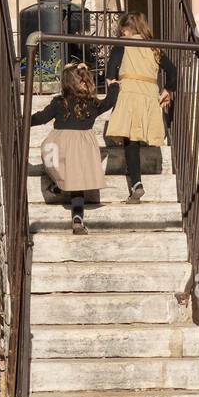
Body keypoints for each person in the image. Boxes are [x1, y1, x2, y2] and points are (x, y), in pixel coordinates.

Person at [30, 63, 119, 234]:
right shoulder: (91, 103)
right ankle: (77, 217)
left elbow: (41, 117)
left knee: (52, 161)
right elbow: (109, 102)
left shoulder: (59, 102)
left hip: (59, 143)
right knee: (78, 182)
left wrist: (23, 120)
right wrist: (114, 87)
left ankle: (58, 184)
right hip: (83, 146)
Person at [105, 13, 177, 203]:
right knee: (141, 131)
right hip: (149, 93)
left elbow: (111, 68)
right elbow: (172, 70)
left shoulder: (123, 43)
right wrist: (167, 90)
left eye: (122, 30)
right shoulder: (153, 47)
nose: (121, 33)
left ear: (127, 29)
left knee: (131, 139)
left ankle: (136, 183)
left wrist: (111, 81)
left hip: (129, 92)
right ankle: (137, 182)